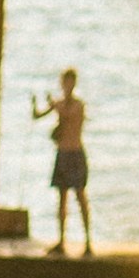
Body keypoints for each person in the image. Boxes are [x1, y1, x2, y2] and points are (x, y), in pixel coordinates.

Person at [40, 67, 93, 258]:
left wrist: (55, 106)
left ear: (74, 84)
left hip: (75, 154)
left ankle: (88, 242)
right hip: (62, 155)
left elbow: (69, 115)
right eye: (65, 82)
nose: (67, 86)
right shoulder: (59, 104)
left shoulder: (78, 105)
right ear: (62, 84)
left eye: (70, 83)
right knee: (61, 199)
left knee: (80, 197)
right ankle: (61, 241)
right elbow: (39, 115)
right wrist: (38, 106)